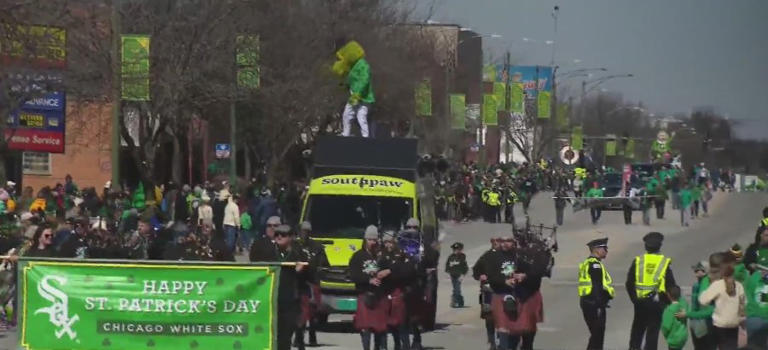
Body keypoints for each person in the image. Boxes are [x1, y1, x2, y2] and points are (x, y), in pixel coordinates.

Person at [250, 224, 306, 350]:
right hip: (271, 299)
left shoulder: (298, 253)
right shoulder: (268, 251)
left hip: (290, 301)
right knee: (269, 334)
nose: (279, 236)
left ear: (291, 237)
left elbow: (310, 275)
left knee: (285, 337)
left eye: (283, 234)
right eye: (277, 234)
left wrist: (300, 271)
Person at [626, 232, 678, 350]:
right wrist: (668, 304)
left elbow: (629, 283)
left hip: (640, 302)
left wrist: (634, 299)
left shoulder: (638, 261)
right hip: (656, 302)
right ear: (660, 246)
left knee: (637, 331)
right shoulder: (663, 262)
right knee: (652, 333)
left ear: (646, 246)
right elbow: (670, 285)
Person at [349, 225, 388, 350]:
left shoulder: (381, 256)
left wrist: (387, 272)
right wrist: (368, 280)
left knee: (380, 327)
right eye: (370, 239)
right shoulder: (357, 256)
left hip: (379, 296)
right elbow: (353, 276)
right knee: (365, 327)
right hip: (364, 294)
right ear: (365, 239)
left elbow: (390, 270)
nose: (373, 242)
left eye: (375, 240)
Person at [294, 221, 328, 348]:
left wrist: (319, 270)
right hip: (300, 283)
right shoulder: (295, 245)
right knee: (301, 313)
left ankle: (312, 337)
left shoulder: (317, 246)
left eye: (307, 231)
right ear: (299, 231)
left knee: (313, 312)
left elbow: (324, 264)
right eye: (303, 230)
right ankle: (299, 338)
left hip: (313, 282)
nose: (305, 233)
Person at [698, 260, 745, 350]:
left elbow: (703, 300)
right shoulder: (739, 286)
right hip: (734, 322)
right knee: (732, 347)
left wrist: (705, 289)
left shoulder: (718, 285)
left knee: (722, 346)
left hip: (720, 324)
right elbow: (743, 303)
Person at [332, 40, 375, 138]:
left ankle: (365, 136)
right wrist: (344, 86)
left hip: (363, 98)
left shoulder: (363, 65)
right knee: (346, 115)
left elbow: (365, 80)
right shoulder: (352, 67)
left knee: (361, 116)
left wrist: (358, 94)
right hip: (353, 97)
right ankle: (345, 134)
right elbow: (350, 81)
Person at [579, 237, 614, 350]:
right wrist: (599, 303)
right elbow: (597, 286)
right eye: (604, 248)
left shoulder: (588, 262)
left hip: (588, 302)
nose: (606, 251)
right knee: (597, 337)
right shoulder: (595, 265)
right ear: (596, 249)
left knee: (595, 335)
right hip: (594, 304)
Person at [474, 237, 500, 350]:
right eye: (495, 242)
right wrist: (480, 275)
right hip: (488, 290)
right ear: (492, 243)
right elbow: (476, 270)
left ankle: (503, 338)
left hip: (503, 290)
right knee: (489, 317)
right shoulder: (486, 256)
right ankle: (492, 341)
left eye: (499, 242)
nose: (497, 244)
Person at [684, 260, 715, 350]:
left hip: (705, 322)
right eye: (696, 270)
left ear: (705, 272)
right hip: (696, 321)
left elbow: (708, 310)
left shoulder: (707, 285)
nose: (697, 272)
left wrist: (688, 314)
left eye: (699, 270)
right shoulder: (696, 285)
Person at [744, 260, 768, 348]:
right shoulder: (754, 278)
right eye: (761, 269)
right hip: (755, 320)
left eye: (765, 269)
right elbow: (749, 298)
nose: (762, 272)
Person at [661, 285, 688, 350]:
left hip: (673, 339)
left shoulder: (670, 310)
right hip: (683, 336)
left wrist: (666, 336)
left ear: (668, 295)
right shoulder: (684, 305)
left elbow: (666, 327)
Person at [446, 242, 468, 308]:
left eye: (458, 249)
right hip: (452, 275)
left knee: (457, 289)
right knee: (455, 288)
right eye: (454, 249)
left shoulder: (462, 256)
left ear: (461, 249)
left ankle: (454, 301)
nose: (456, 250)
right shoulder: (450, 257)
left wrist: (463, 275)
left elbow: (465, 267)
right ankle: (460, 301)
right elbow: (447, 266)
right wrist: (448, 273)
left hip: (459, 275)